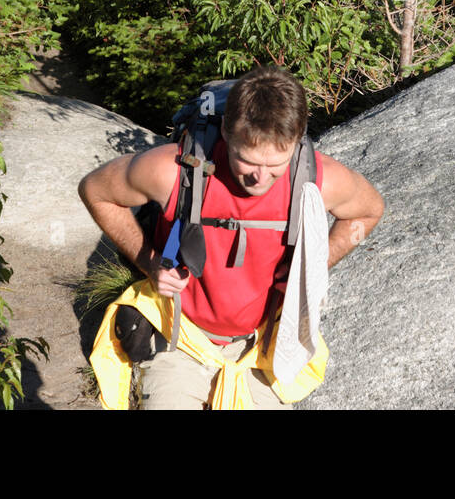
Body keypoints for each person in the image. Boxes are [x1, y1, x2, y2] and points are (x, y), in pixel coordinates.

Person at [78, 65, 384, 408]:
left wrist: (316, 262)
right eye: (246, 160)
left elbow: (368, 212)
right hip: (179, 337)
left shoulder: (317, 179)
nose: (259, 178)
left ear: (297, 140)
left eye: (276, 165)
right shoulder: (174, 170)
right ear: (225, 130)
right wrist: (150, 262)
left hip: (262, 347)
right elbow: (95, 191)